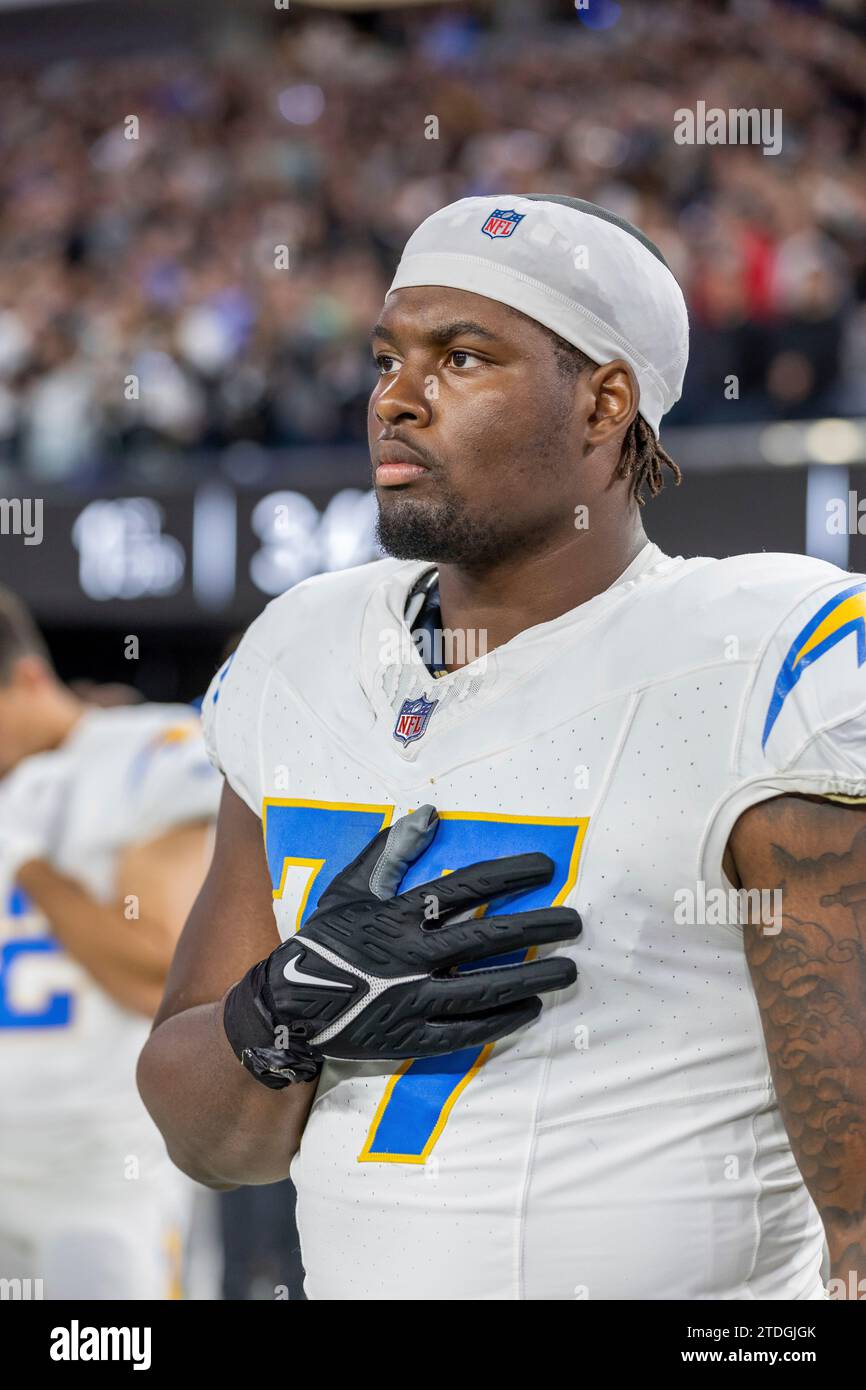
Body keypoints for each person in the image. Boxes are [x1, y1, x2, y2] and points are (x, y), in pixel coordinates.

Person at [139, 195, 866, 1301]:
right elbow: (208, 1141)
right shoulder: (300, 646)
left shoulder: (760, 652)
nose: (396, 397)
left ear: (603, 403)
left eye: (461, 357)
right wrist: (284, 1010)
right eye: (387, 356)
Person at [0, 591, 221, 1298]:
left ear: (30, 679)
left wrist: (30, 864)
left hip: (100, 1174)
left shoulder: (149, 749)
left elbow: (155, 972)